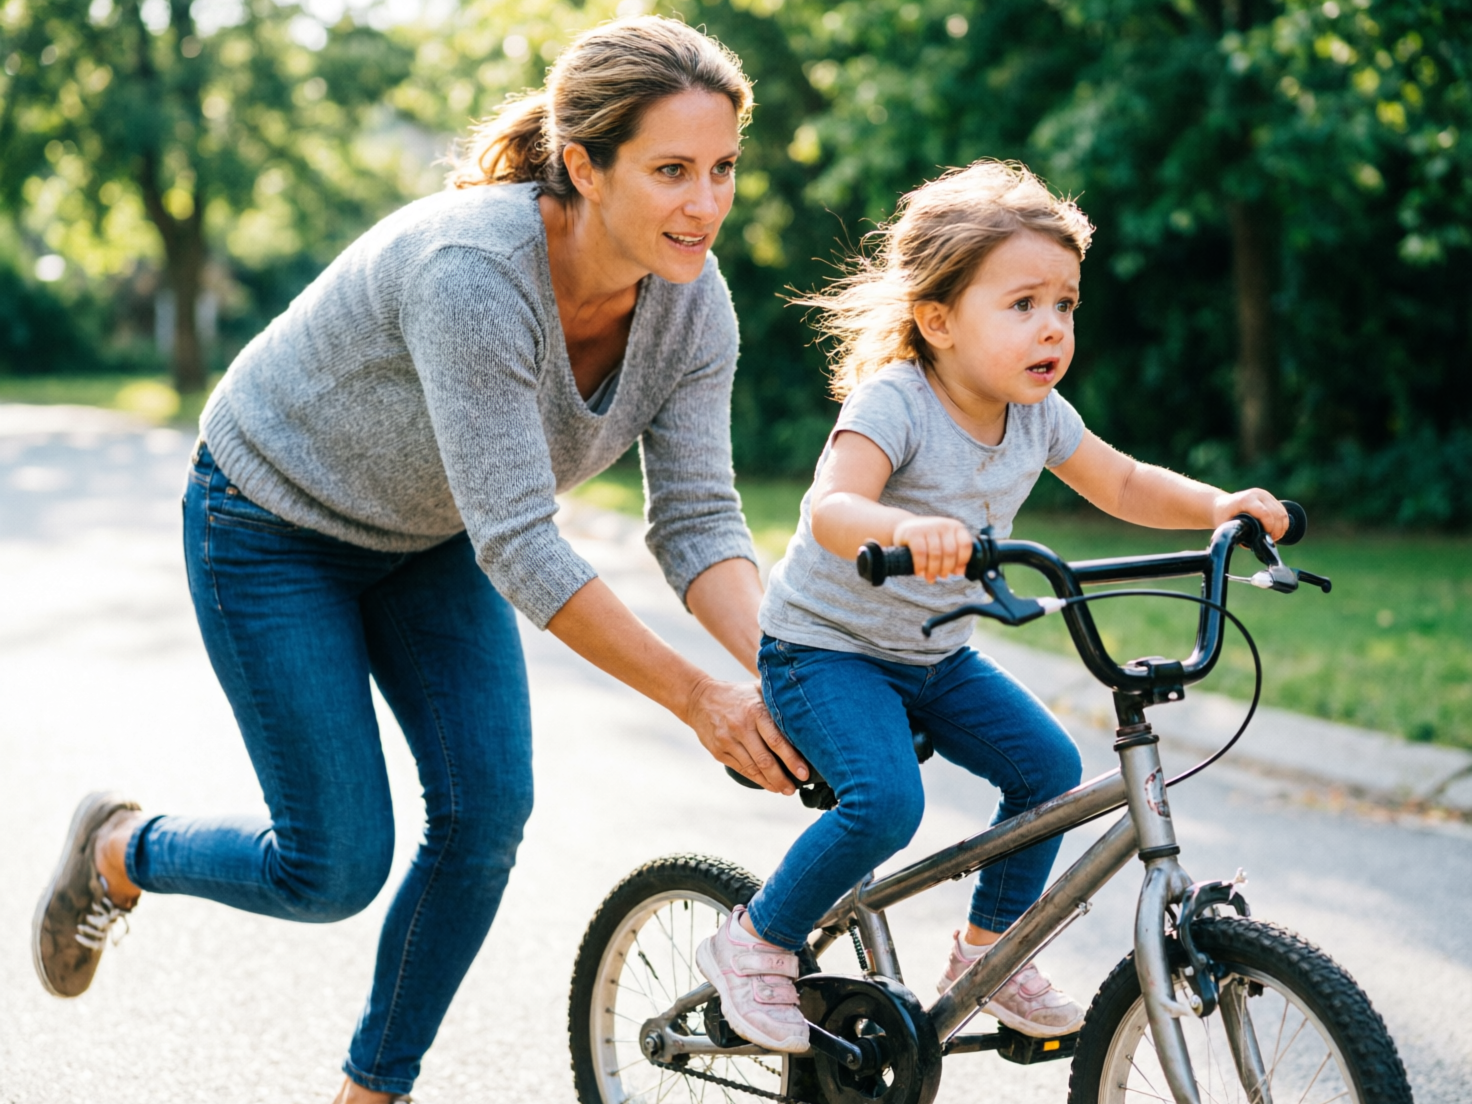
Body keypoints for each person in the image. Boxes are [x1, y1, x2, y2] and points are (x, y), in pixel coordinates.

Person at [31, 16, 808, 1102]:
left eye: (722, 168)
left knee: (485, 815)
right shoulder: (473, 270)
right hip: (268, 523)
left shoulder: (693, 300)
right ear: (582, 165)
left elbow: (696, 520)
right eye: (671, 170)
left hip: (425, 537)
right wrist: (698, 699)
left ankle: (373, 1089)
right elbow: (522, 546)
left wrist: (787, 672)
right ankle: (122, 848)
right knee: (330, 866)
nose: (706, 203)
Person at [695, 160, 1289, 1052]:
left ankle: (989, 954)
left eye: (1066, 305)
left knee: (1049, 770)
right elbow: (832, 508)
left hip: (934, 651)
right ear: (938, 321)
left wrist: (1217, 508)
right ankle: (753, 943)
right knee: (886, 803)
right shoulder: (897, 400)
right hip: (826, 650)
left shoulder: (1040, 413)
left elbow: (1121, 480)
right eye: (1023, 306)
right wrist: (904, 526)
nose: (1052, 328)